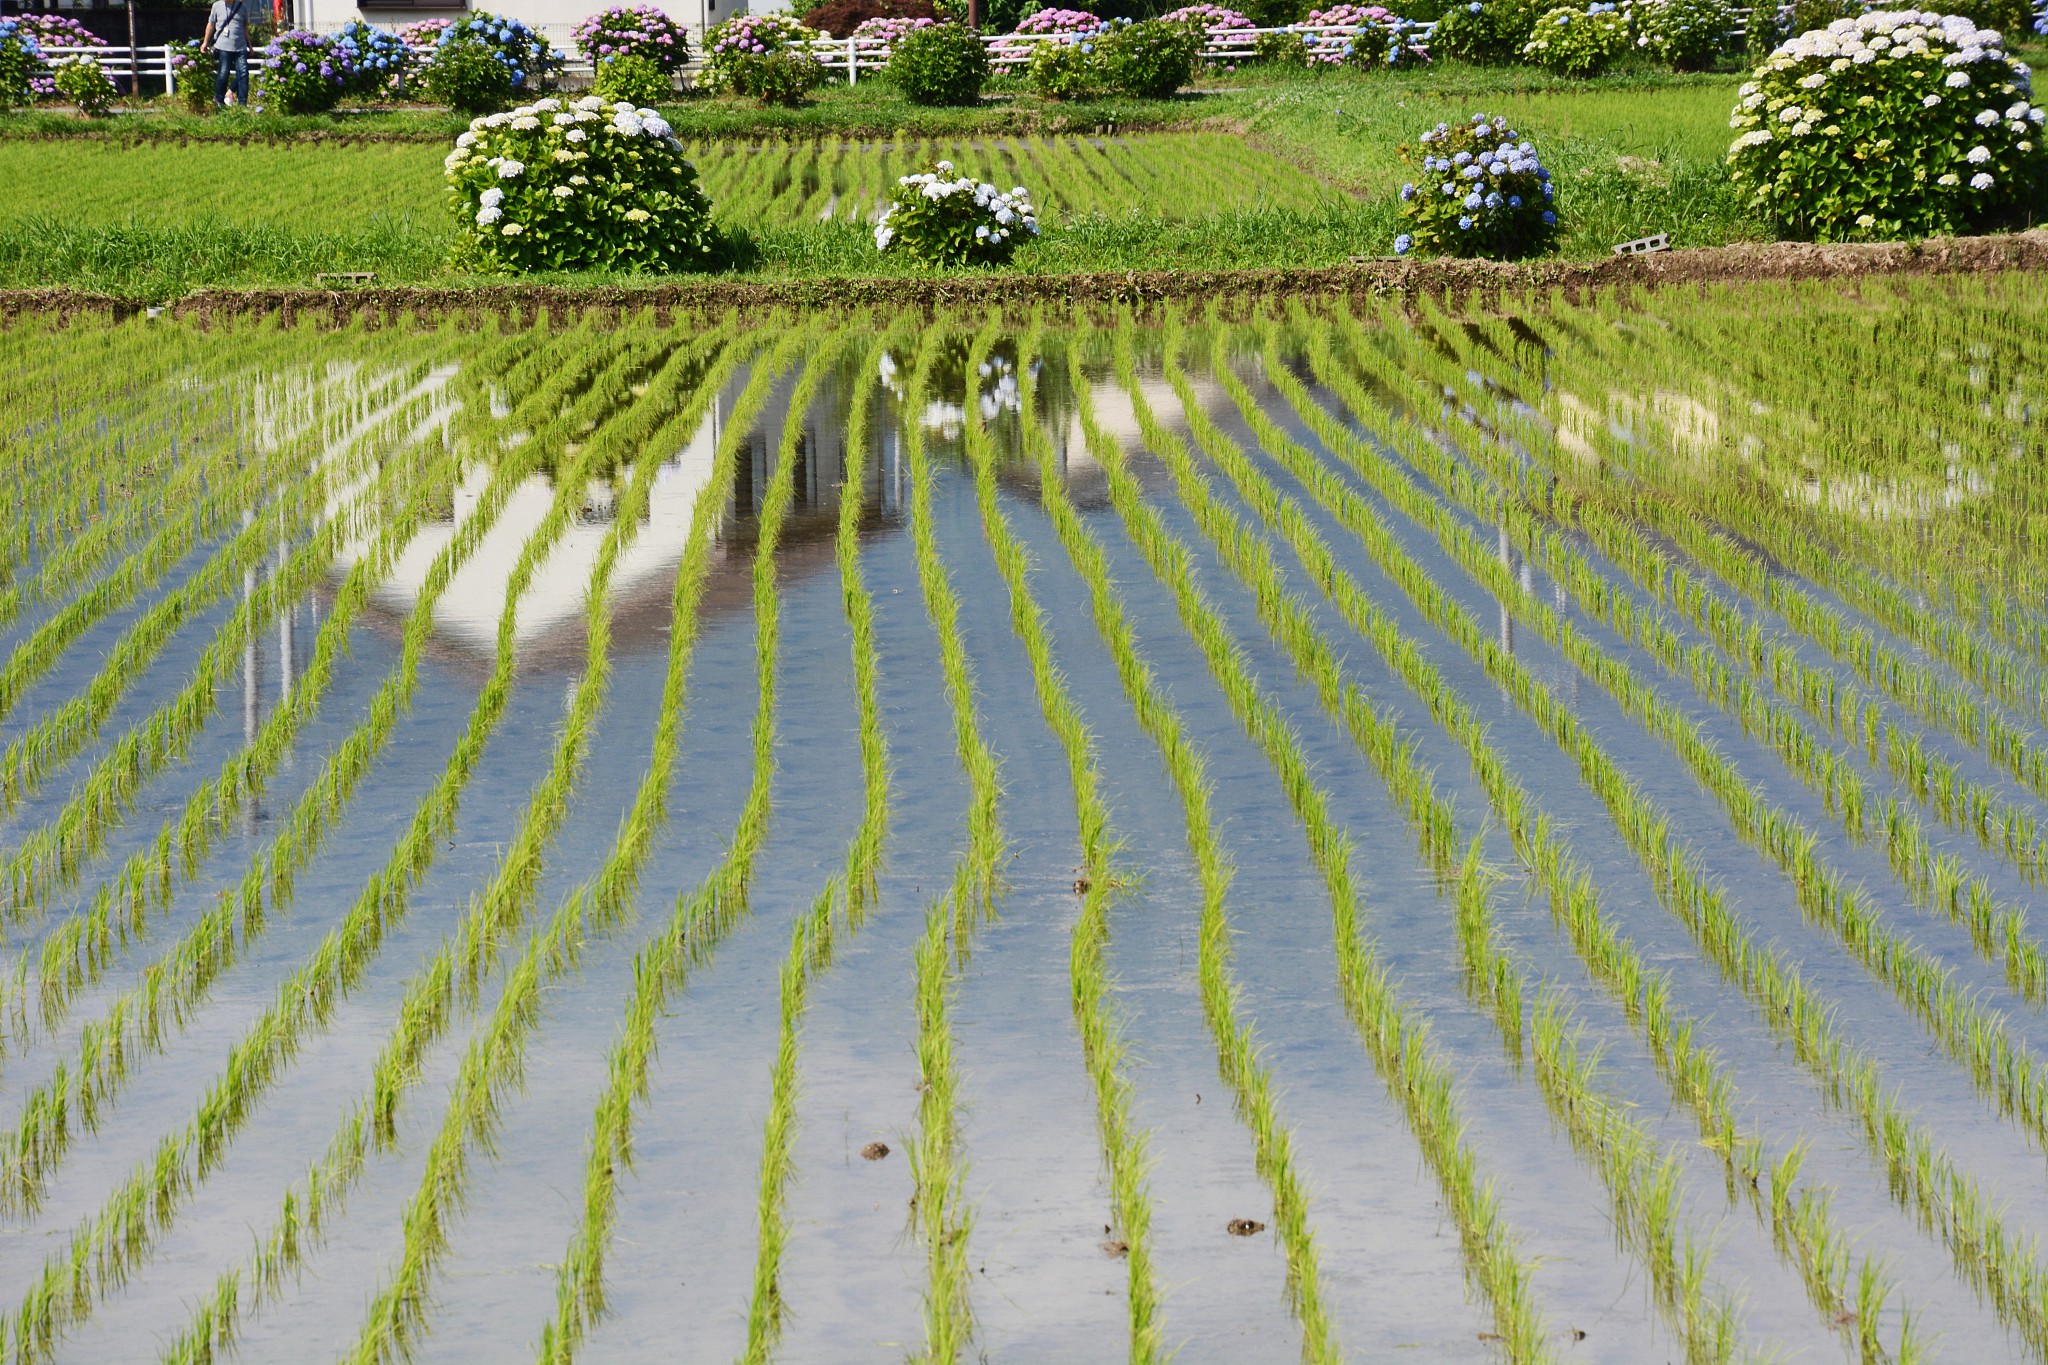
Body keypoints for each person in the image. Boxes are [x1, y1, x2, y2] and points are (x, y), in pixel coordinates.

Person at [201, 0, 250, 108]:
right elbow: (211, 24)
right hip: (223, 46)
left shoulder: (242, 7)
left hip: (240, 47)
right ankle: (219, 100)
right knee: (223, 74)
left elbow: (245, 28)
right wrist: (205, 42)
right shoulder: (216, 6)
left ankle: (242, 104)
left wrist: (249, 46)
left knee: (243, 74)